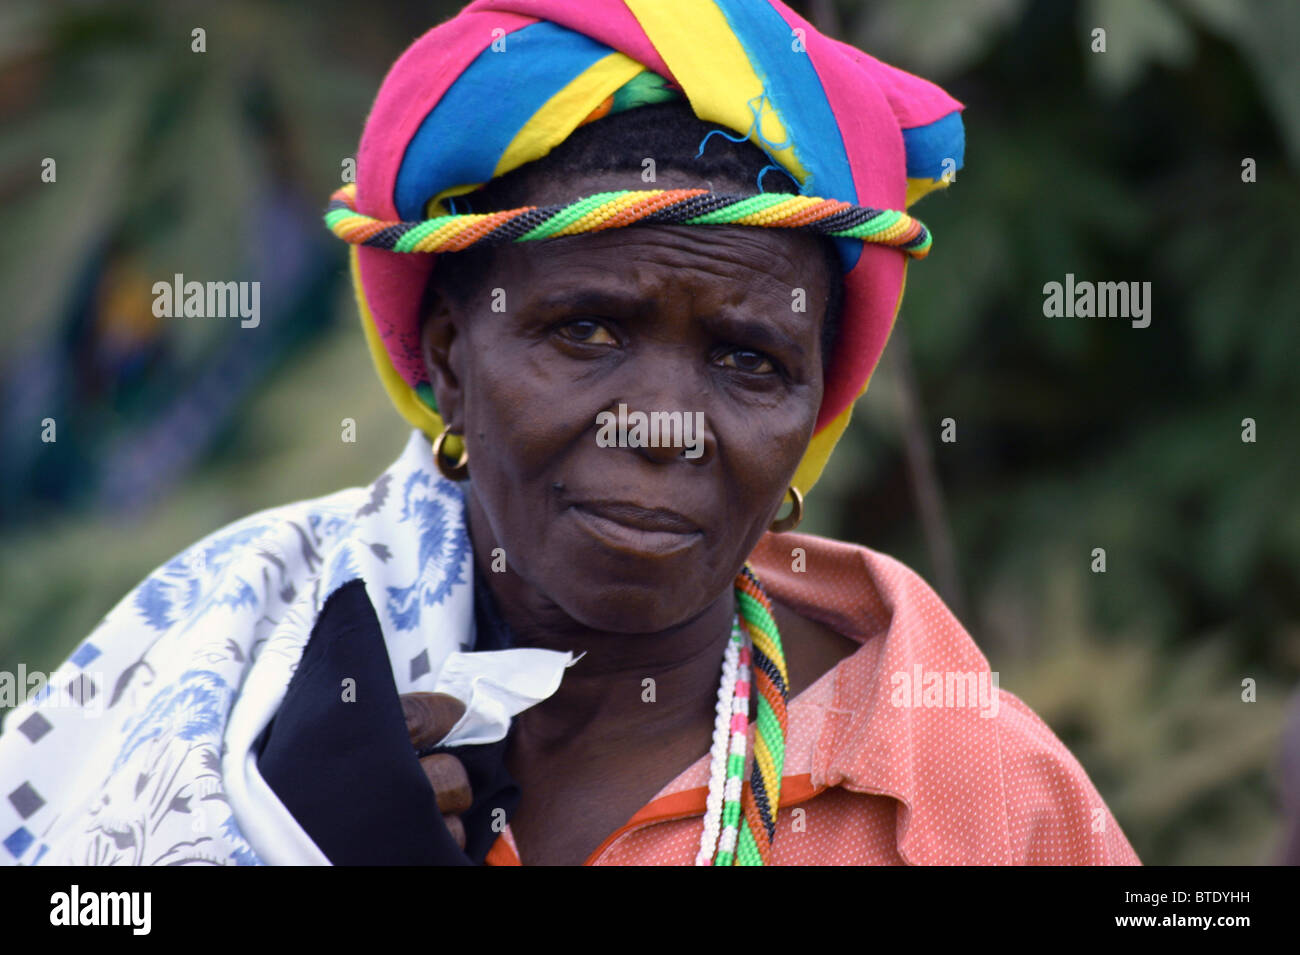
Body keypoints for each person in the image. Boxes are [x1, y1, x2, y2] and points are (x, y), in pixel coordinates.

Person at [0, 0, 1139, 866]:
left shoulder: (958, 786)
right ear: (449, 355)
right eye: (587, 328)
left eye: (749, 360)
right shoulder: (230, 674)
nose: (662, 423)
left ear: (814, 409)